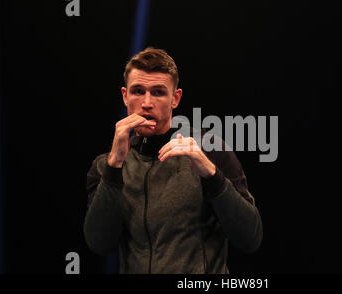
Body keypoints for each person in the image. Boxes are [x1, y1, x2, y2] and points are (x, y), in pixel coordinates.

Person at [84, 47, 263, 274]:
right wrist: (114, 167)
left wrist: (211, 174)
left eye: (158, 92)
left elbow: (250, 238)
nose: (147, 103)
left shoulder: (209, 150)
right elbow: (99, 243)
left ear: (175, 99)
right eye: (138, 91)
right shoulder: (105, 166)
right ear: (124, 96)